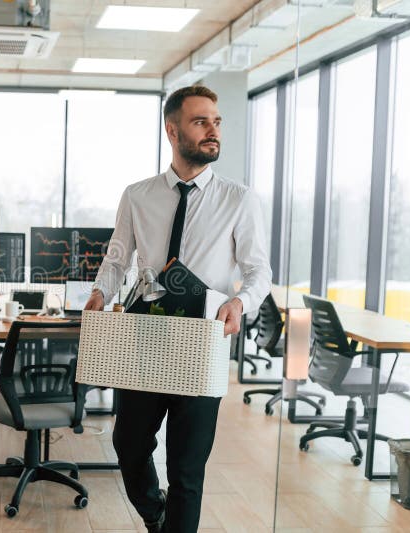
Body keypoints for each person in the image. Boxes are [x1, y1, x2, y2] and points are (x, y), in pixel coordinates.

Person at [84, 85, 272, 533]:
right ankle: (155, 512)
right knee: (129, 445)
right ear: (172, 131)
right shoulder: (138, 195)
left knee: (187, 471)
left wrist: (239, 301)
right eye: (200, 121)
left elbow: (259, 271)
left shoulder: (239, 199)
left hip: (201, 345)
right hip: (144, 340)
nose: (213, 130)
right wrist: (99, 293)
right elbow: (117, 258)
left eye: (217, 121)